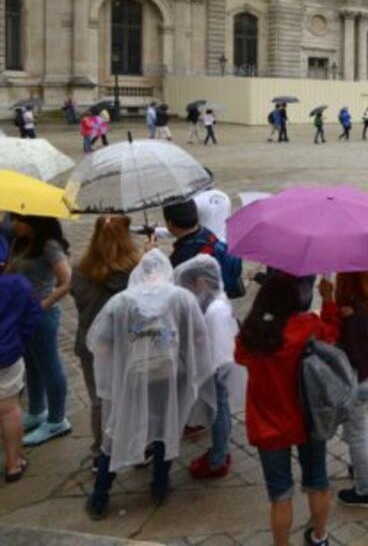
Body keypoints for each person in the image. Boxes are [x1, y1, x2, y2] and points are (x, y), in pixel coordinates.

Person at [85, 250, 212, 519]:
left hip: (132, 378)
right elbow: (200, 340)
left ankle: (100, 495)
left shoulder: (120, 302)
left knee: (117, 430)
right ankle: (160, 485)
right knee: (166, 425)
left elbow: (101, 346)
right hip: (169, 376)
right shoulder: (181, 298)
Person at [235, 273, 337, 546]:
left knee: (279, 494)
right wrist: (328, 300)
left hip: (267, 423)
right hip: (308, 418)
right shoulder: (306, 326)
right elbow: (331, 333)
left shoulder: (251, 334)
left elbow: (239, 357)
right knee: (317, 480)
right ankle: (319, 536)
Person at [318, 271, 368, 507]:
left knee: (355, 436)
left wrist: (329, 303)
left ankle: (365, 490)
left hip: (360, 381)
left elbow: (350, 355)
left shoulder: (353, 314)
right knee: (357, 430)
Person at [69, 216, 140, 458]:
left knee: (99, 398)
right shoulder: (136, 270)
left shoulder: (79, 270)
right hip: (126, 343)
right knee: (133, 393)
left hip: (92, 344)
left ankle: (101, 449)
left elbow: (79, 301)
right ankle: (137, 444)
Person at [175, 255, 246, 481]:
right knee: (219, 408)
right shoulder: (216, 300)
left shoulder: (215, 310)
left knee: (219, 409)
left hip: (217, 367)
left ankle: (218, 457)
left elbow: (212, 345)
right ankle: (219, 451)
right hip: (220, 363)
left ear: (203, 282)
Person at [4, 215, 72, 447]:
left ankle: (57, 419)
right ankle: (36, 410)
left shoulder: (49, 246)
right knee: (31, 364)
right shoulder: (20, 242)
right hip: (21, 314)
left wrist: (43, 304)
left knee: (50, 365)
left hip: (42, 316)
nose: (14, 225)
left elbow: (66, 281)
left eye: (18, 220)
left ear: (34, 222)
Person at [0, 239, 42, 482]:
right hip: (7, 355)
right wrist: (19, 340)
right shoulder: (18, 284)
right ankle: (14, 463)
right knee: (9, 409)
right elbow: (33, 314)